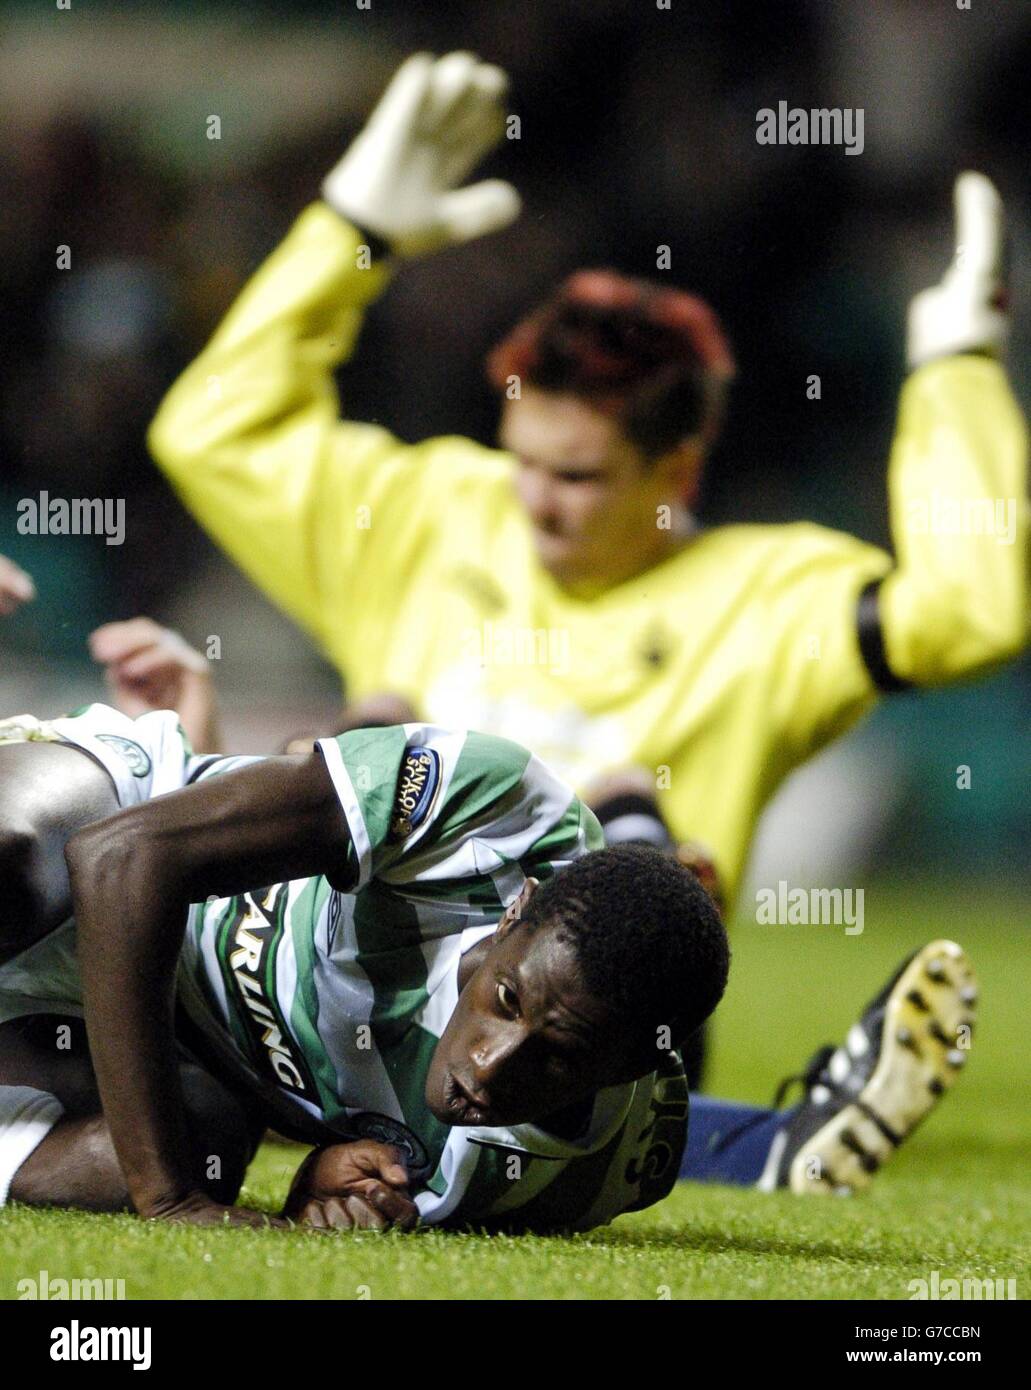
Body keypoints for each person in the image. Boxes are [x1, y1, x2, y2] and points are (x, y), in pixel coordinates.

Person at [145, 51, 1027, 938]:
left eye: (576, 476)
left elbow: (975, 613)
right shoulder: (428, 512)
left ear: (675, 473)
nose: (532, 500)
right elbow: (208, 432)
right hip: (351, 993)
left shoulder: (768, 602)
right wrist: (350, 234)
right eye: (521, 459)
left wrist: (955, 372)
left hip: (598, 1028)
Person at [0, 700, 975, 1228]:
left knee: (201, 1132)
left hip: (171, 1047)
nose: (486, 1067)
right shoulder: (498, 809)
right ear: (514, 912)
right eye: (505, 997)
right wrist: (169, 1199)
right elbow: (121, 859)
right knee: (18, 860)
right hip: (118, 834)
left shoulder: (566, 1184)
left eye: (557, 1056)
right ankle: (637, 818)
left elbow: (358, 1193)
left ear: (629, 1071)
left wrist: (328, 1193)